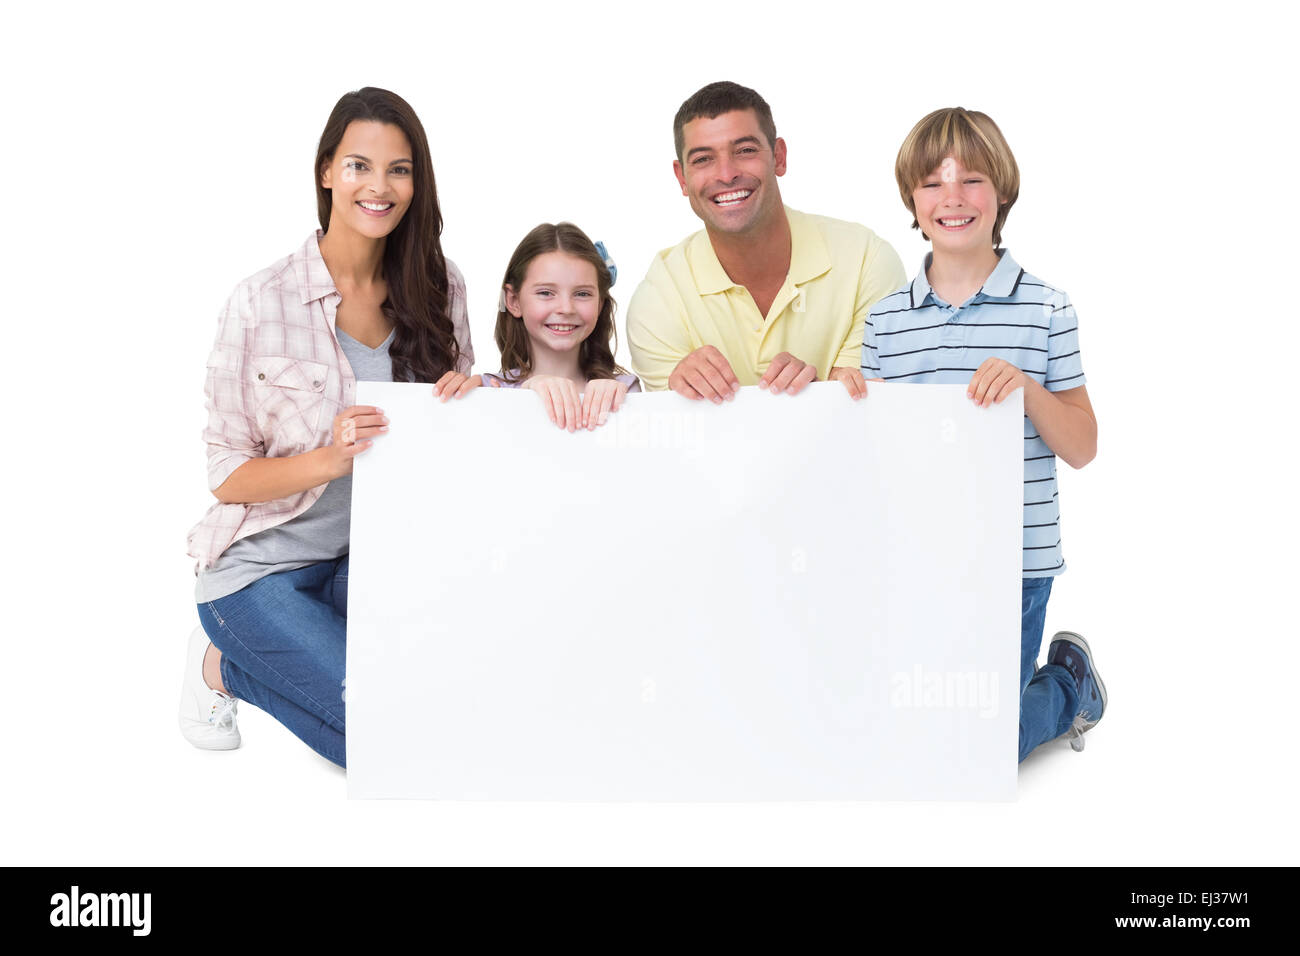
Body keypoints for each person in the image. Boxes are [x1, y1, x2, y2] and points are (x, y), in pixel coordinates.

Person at [179, 88, 476, 767]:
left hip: (374, 561)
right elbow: (226, 475)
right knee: (388, 742)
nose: (379, 186)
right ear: (325, 172)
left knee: (439, 712)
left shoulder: (442, 287)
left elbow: (451, 444)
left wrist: (470, 399)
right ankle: (223, 664)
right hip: (261, 574)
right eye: (358, 166)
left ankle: (257, 670)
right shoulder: (260, 301)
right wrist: (330, 458)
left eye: (399, 169)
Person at [859, 107, 1106, 762]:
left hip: (1014, 564)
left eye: (970, 180)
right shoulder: (885, 321)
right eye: (933, 183)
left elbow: (1082, 447)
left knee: (978, 747)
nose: (952, 198)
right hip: (919, 560)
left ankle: (1068, 684)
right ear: (912, 200)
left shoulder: (1047, 306)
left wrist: (1027, 390)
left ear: (1001, 192)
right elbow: (877, 457)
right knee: (905, 727)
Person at [626, 80, 905, 400]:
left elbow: (866, 411)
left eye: (745, 151)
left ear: (779, 157)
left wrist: (816, 394)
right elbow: (688, 443)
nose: (727, 174)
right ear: (682, 178)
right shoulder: (659, 298)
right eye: (703, 159)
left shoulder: (866, 261)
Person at [479, 222, 639, 431]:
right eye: (546, 293)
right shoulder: (489, 390)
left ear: (600, 304)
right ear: (513, 301)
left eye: (582, 294)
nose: (566, 308)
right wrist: (524, 395)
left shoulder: (624, 391)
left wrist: (621, 406)